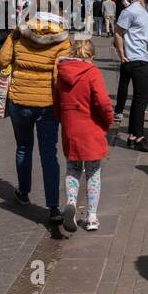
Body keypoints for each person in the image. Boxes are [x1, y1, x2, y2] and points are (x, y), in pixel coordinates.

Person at [0, 11, 71, 225]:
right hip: (47, 104)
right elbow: (60, 76)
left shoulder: (19, 34)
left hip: (20, 100)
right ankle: (53, 206)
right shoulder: (63, 41)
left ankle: (23, 191)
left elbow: (2, 60)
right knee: (49, 153)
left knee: (23, 148)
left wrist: (13, 38)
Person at [55, 37, 112, 233]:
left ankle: (71, 201)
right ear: (91, 56)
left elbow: (56, 101)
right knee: (93, 172)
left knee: (72, 168)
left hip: (71, 126)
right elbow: (103, 102)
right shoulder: (92, 73)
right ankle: (92, 216)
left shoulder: (61, 73)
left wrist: (62, 119)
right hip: (91, 127)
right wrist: (108, 120)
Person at [114, 0, 148, 152]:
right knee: (141, 98)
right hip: (134, 59)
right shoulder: (131, 11)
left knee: (139, 100)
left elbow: (146, 36)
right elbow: (118, 32)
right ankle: (139, 137)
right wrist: (121, 53)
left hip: (144, 57)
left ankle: (133, 136)